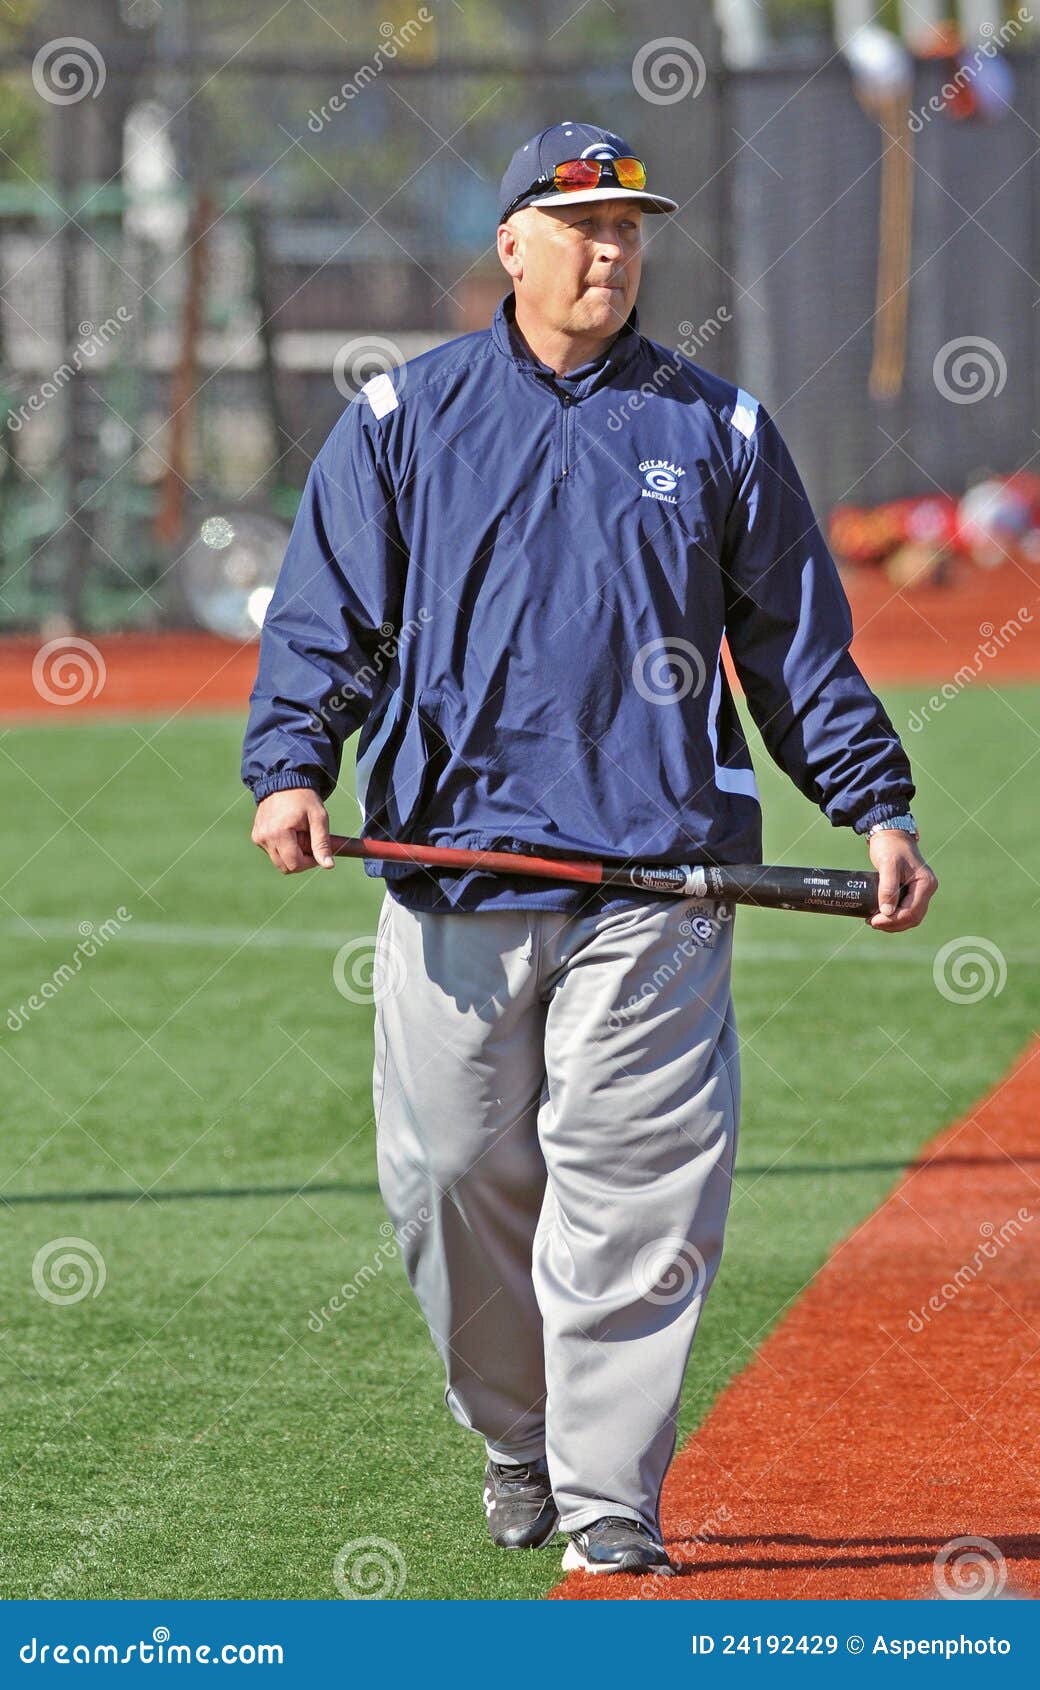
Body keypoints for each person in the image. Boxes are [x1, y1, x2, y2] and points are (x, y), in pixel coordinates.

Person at [241, 121, 938, 1577]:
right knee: (449, 1174)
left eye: (628, 229)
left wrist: (875, 802)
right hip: (456, 860)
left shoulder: (719, 428)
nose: (611, 251)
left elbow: (795, 651)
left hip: (662, 875)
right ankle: (519, 1431)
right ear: (512, 244)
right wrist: (293, 765)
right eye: (583, 228)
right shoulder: (404, 419)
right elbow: (329, 619)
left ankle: (610, 1498)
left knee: (637, 1184)